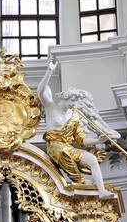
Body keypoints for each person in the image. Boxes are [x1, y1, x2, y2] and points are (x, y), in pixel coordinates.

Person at [36, 57, 117, 197]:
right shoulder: (51, 107)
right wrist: (49, 71)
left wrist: (98, 141)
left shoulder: (75, 116)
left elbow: (81, 140)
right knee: (64, 154)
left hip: (68, 147)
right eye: (74, 102)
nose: (76, 106)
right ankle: (80, 182)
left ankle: (101, 191)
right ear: (68, 98)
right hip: (55, 147)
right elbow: (41, 91)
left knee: (91, 159)